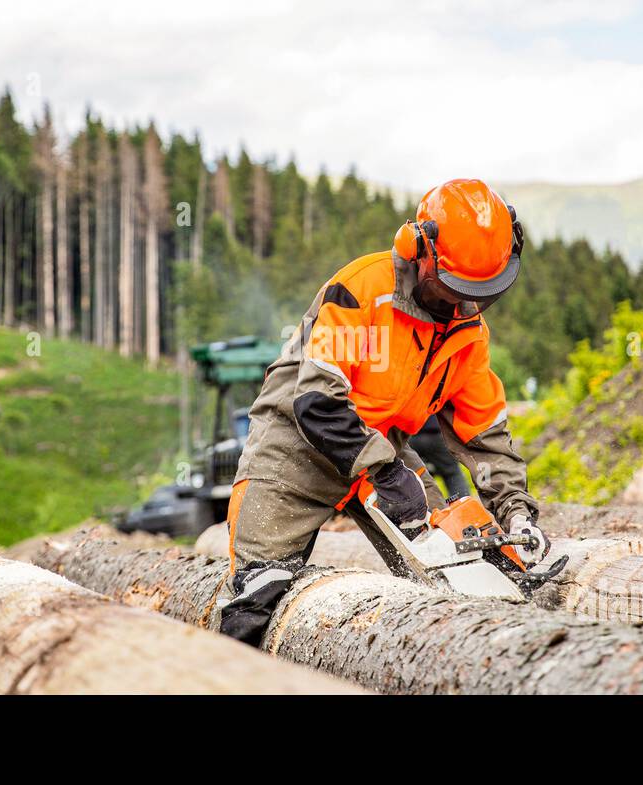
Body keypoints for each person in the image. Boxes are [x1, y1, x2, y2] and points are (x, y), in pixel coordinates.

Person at [219, 178, 547, 645]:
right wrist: (387, 472)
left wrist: (515, 512)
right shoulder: (363, 290)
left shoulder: (468, 333)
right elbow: (317, 402)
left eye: (480, 291)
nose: (464, 302)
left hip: (383, 449)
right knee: (254, 601)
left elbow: (484, 434)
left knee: (460, 566)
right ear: (419, 251)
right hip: (295, 444)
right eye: (454, 288)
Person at [408, 415, 471, 499]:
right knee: (452, 473)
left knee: (418, 477)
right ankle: (463, 505)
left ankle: (427, 509)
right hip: (435, 434)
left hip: (410, 437)